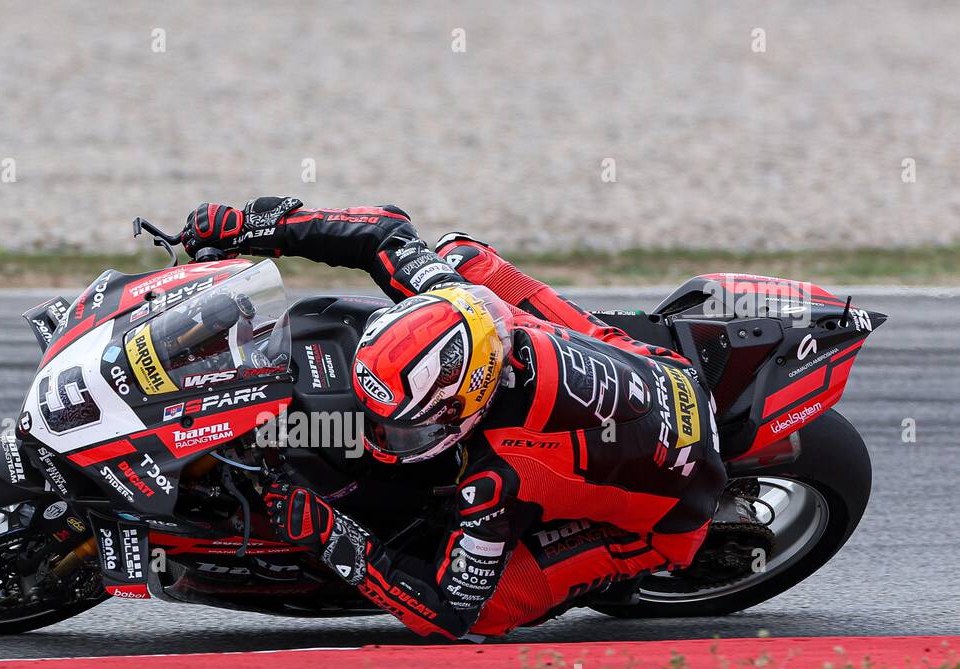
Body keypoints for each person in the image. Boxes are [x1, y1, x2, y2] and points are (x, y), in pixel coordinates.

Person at [178, 198, 727, 639]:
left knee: (488, 614)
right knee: (461, 254)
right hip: (657, 367)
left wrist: (330, 533)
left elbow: (446, 611)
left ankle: (634, 560)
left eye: (399, 428)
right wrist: (253, 223)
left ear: (466, 411)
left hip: (675, 504)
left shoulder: (497, 480)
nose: (379, 437)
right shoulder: (457, 299)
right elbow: (384, 232)